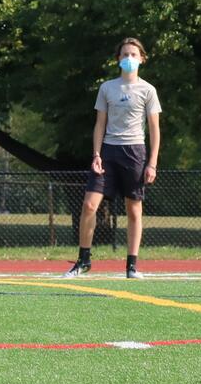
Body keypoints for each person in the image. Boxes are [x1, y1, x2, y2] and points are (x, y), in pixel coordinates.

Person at [63, 37, 161, 279]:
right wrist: (96, 154)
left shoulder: (148, 90)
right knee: (89, 205)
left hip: (134, 152)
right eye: (125, 54)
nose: (129, 58)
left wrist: (152, 163)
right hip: (108, 151)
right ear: (118, 59)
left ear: (142, 59)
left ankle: (131, 266)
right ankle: (83, 260)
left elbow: (154, 129)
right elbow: (99, 124)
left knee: (134, 210)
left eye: (133, 54)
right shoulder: (107, 88)